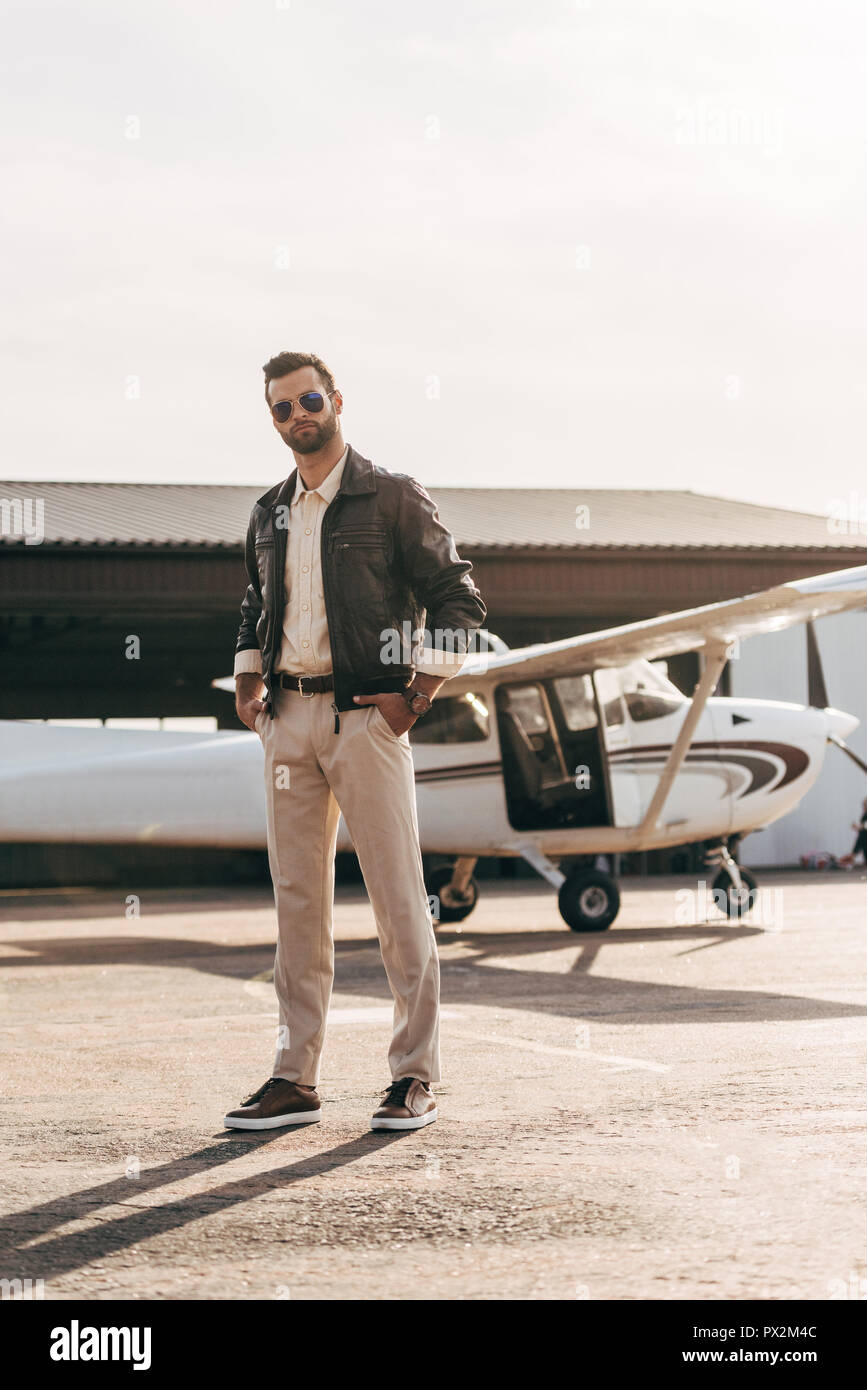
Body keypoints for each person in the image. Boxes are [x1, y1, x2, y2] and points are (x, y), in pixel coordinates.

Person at [223, 350, 486, 1133]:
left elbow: (458, 598)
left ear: (335, 400)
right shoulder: (268, 511)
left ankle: (413, 1076)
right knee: (297, 905)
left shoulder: (391, 497)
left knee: (396, 897)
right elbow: (255, 602)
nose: (296, 416)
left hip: (366, 721)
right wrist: (247, 682)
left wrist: (418, 696)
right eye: (280, 409)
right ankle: (293, 1080)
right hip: (287, 724)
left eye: (307, 400)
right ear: (272, 420)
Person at [851, 798, 867, 863]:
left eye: (865, 805)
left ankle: (853, 855)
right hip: (863, 839)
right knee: (862, 835)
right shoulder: (864, 815)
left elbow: (864, 827)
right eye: (864, 805)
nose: (864, 807)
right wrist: (858, 827)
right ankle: (853, 854)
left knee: (863, 835)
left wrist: (859, 827)